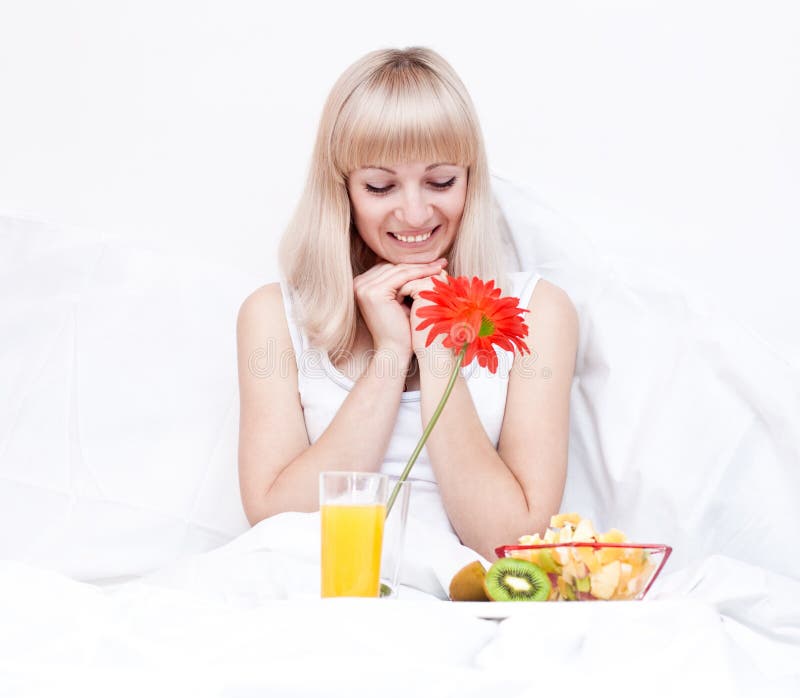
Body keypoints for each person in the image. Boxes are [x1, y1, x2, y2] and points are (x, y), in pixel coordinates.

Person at [236, 47, 578, 561]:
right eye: (380, 185)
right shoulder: (273, 317)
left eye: (441, 181)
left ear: (470, 180)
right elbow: (279, 527)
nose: (415, 213)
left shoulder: (540, 312)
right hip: (320, 599)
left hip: (471, 607)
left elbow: (511, 543)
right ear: (342, 190)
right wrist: (391, 355)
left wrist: (438, 343)